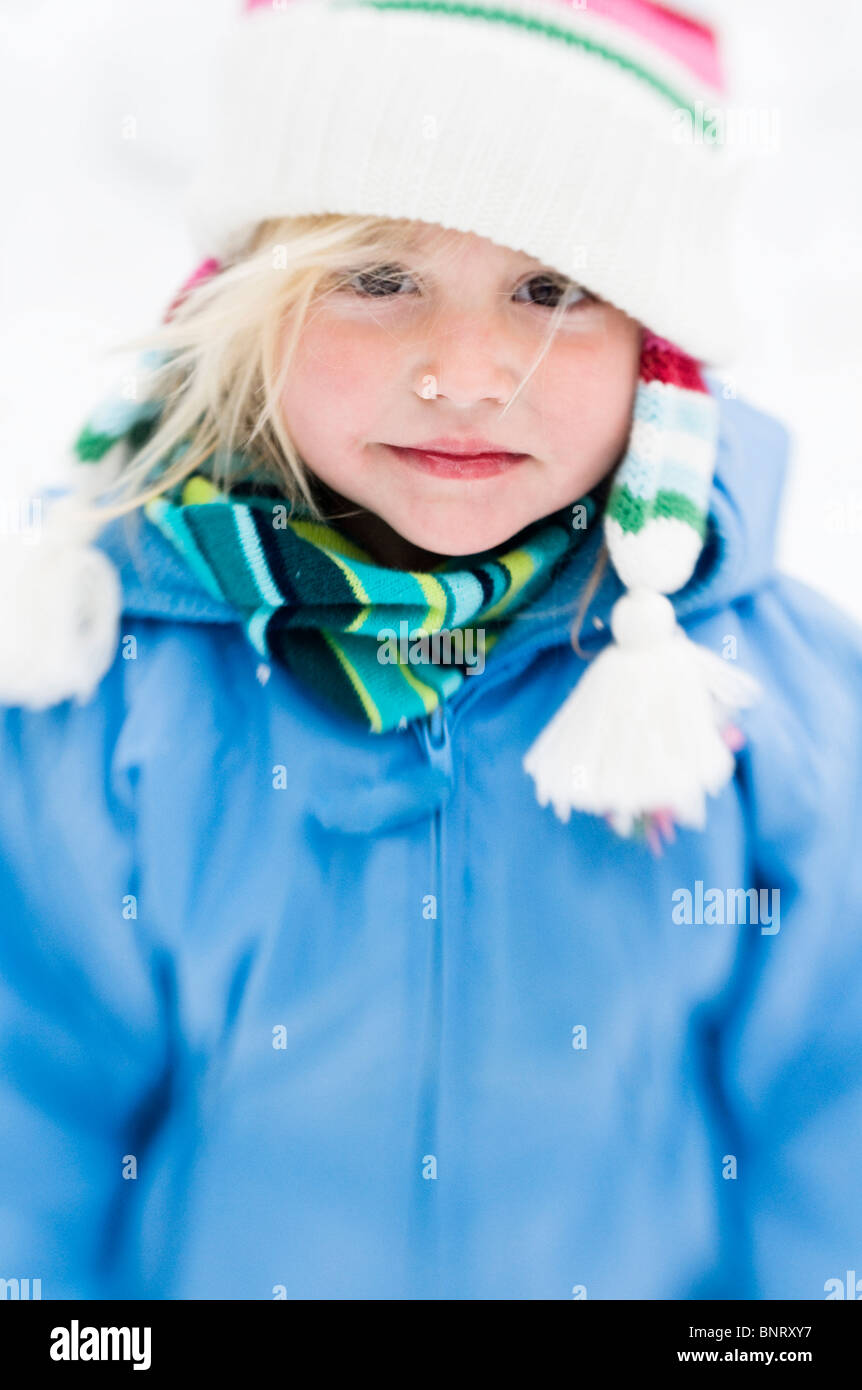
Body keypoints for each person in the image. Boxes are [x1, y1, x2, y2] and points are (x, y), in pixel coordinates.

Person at [1, 0, 861, 1301]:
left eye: (553, 287)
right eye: (377, 277)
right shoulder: (109, 689)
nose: (466, 371)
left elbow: (828, 1096)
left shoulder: (759, 694)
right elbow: (33, 1091)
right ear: (247, 308)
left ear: (656, 349)